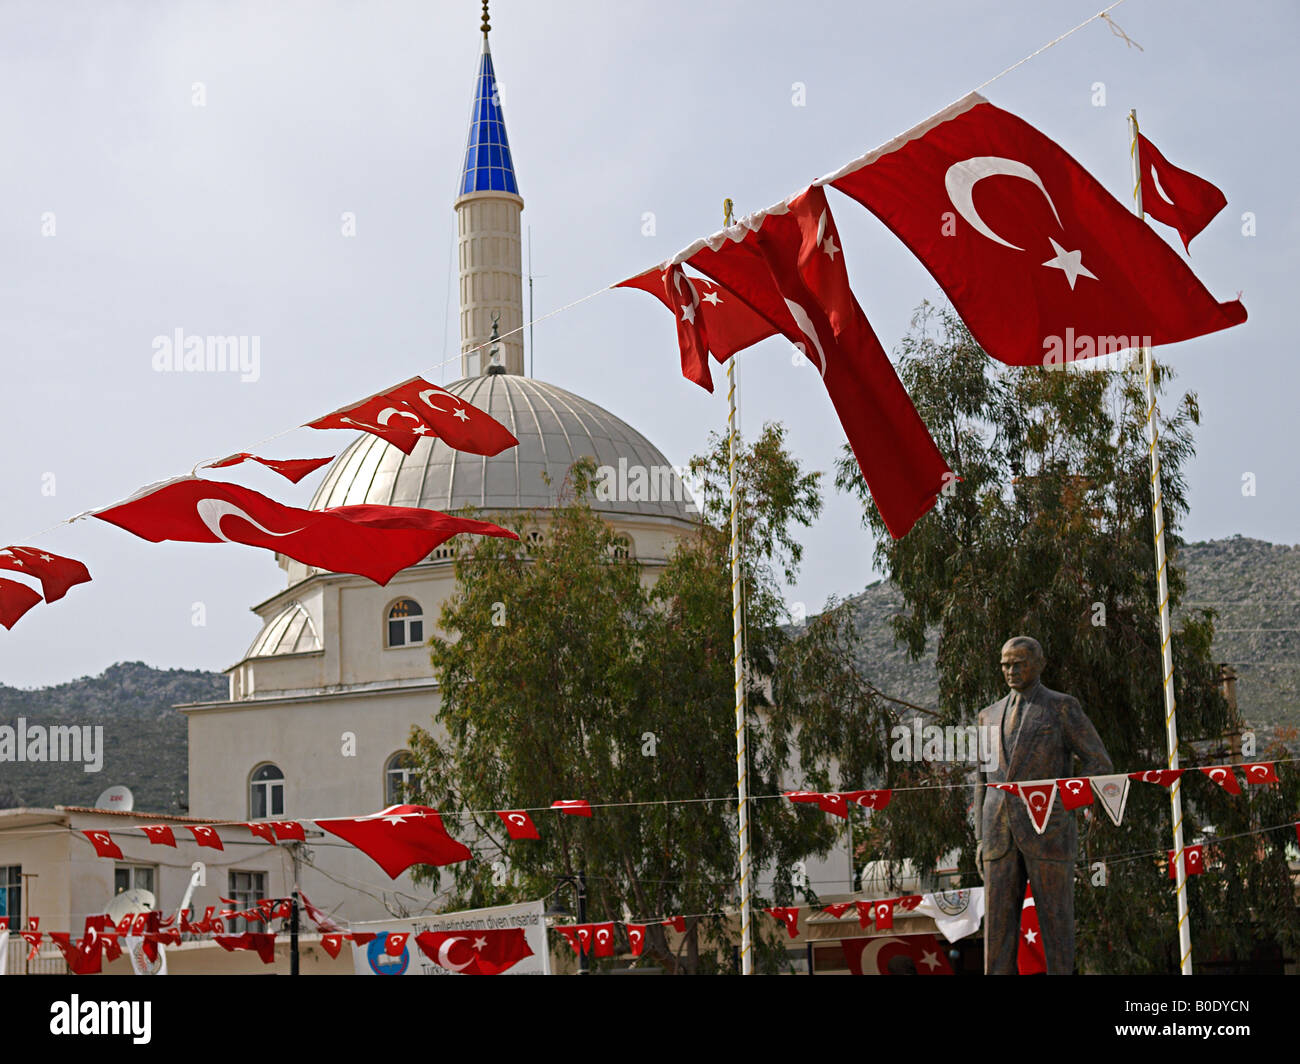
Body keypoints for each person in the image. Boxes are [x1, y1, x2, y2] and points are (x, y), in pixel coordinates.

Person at [973, 636, 1112, 974]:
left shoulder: (1062, 707)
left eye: (1018, 663)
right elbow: (980, 781)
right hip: (997, 836)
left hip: (1049, 832)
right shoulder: (987, 716)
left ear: (1039, 664)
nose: (1011, 670)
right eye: (1005, 664)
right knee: (996, 934)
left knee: (1057, 927)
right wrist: (979, 837)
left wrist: (1060, 806)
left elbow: (1099, 765)